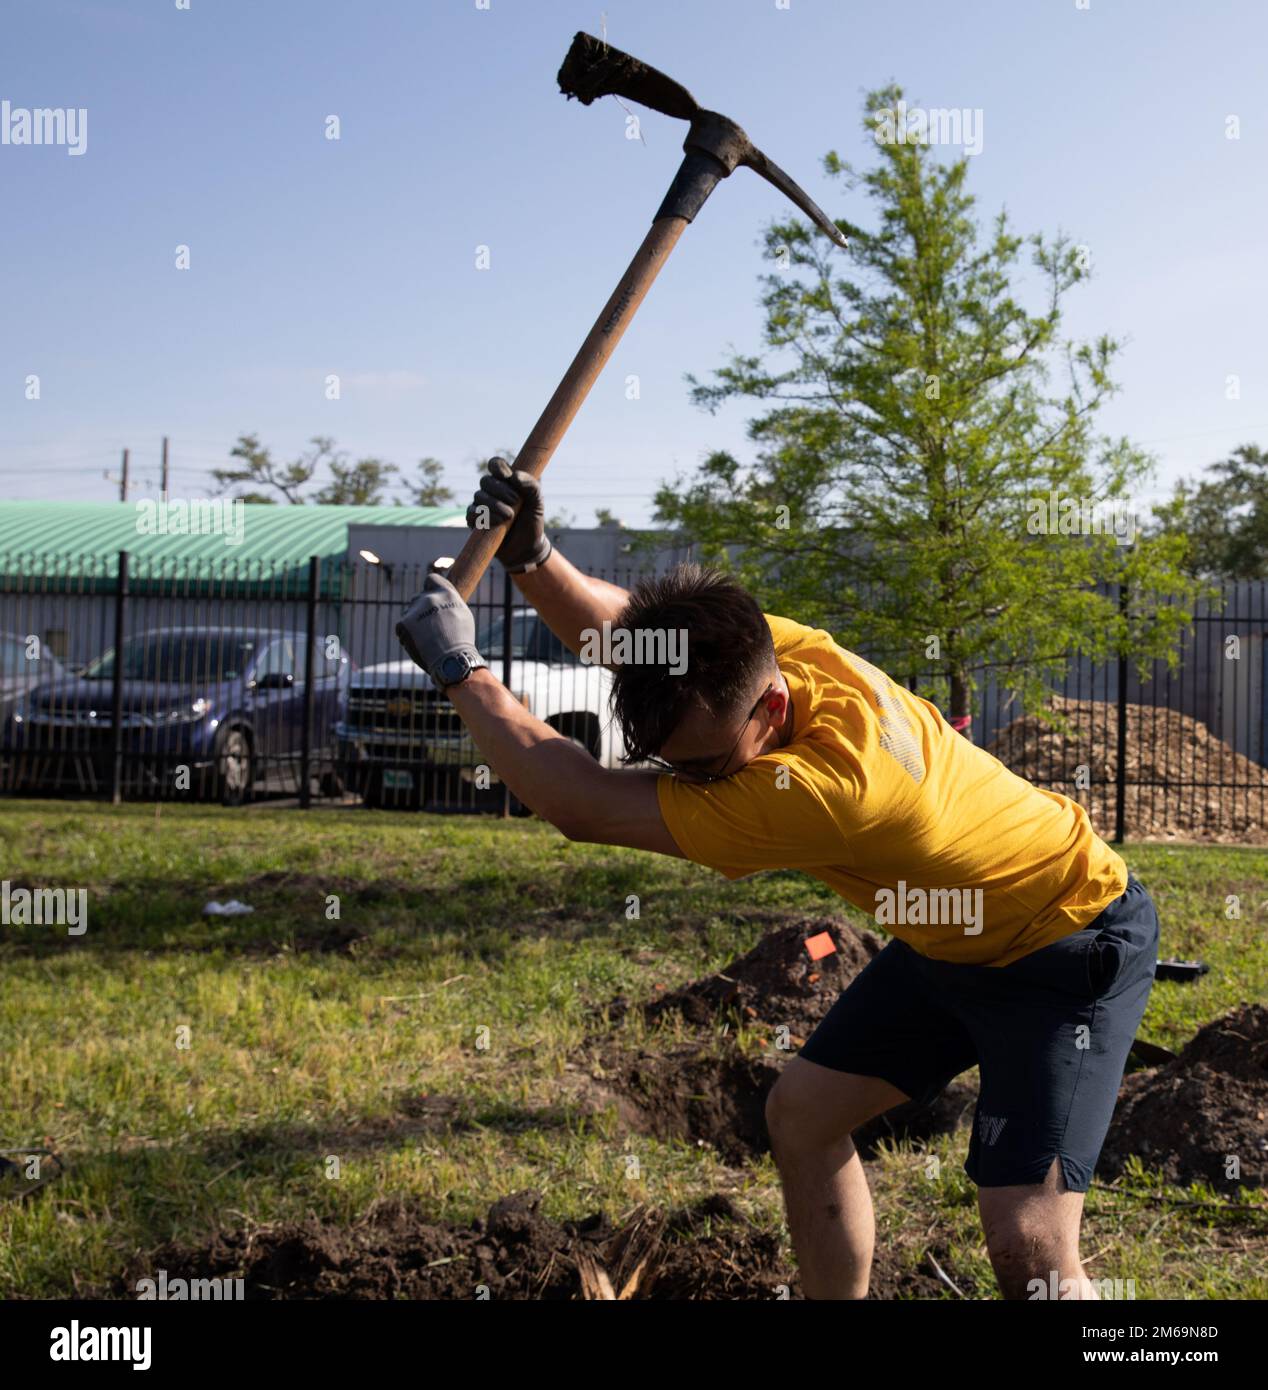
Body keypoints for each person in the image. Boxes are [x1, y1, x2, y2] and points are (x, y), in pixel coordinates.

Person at [397, 457, 1160, 1301]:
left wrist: (462, 671)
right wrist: (534, 554)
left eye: (706, 765)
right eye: (669, 766)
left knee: (1029, 1250)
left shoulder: (829, 791)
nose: (692, 784)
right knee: (802, 1117)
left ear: (766, 711)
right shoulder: (775, 653)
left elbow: (580, 804)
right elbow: (621, 633)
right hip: (949, 935)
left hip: (1066, 943)